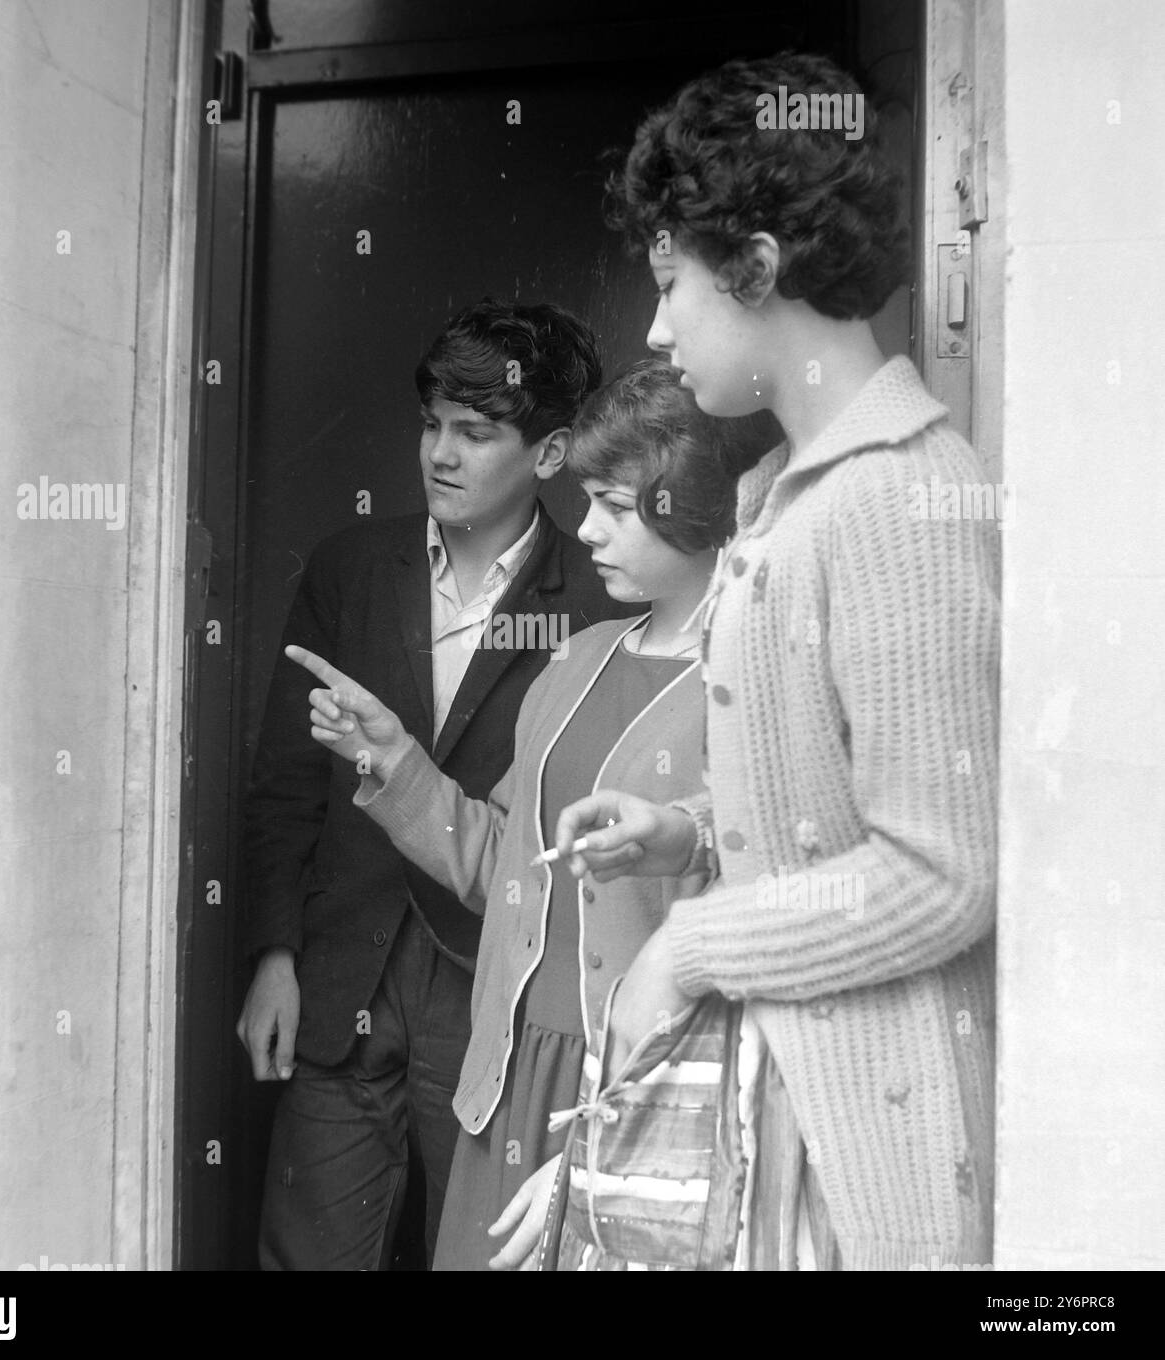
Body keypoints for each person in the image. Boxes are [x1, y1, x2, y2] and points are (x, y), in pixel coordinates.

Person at [554, 52, 1001, 1269]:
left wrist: (688, 945)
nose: (654, 329)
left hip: (874, 1156)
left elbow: (941, 873)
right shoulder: (777, 492)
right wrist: (686, 833)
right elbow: (825, 811)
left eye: (672, 285)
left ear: (754, 268)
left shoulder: (897, 497)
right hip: (781, 1120)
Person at [288, 359, 768, 1269]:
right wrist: (395, 761)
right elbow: (503, 869)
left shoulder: (755, 679)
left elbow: (772, 890)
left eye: (616, 507)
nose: (585, 529)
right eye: (588, 500)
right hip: (508, 1080)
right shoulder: (577, 661)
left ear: (701, 508)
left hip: (646, 1088)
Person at [238, 298, 638, 1271]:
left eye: (475, 432)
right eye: (431, 425)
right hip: (339, 973)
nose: (441, 454)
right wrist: (272, 953)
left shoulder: (597, 599)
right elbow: (287, 780)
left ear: (550, 453)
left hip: (492, 989)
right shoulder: (349, 568)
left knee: (480, 1256)